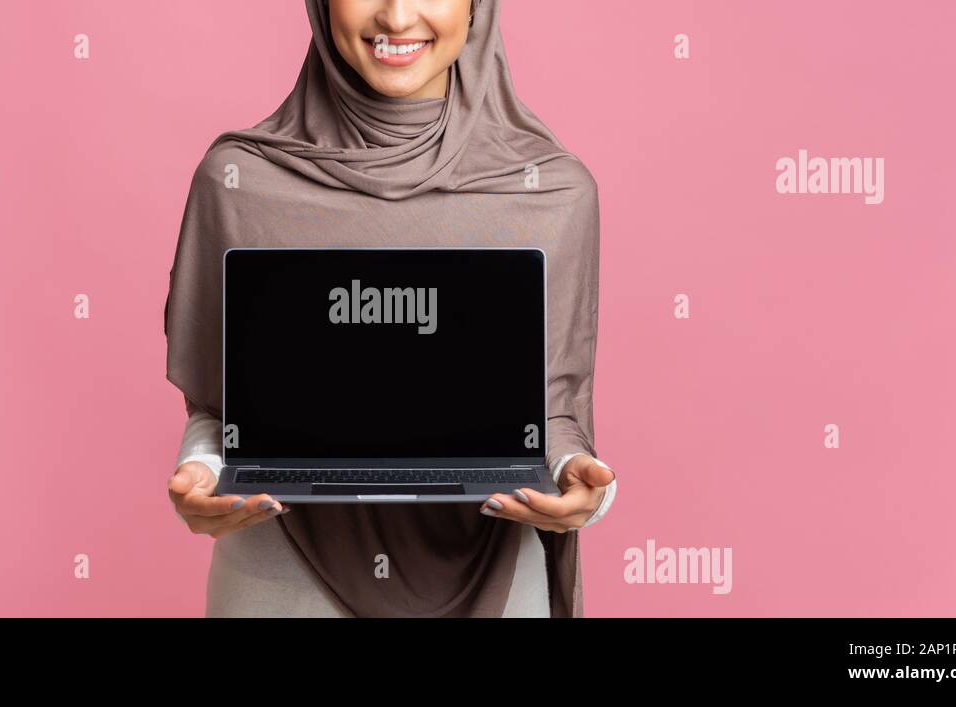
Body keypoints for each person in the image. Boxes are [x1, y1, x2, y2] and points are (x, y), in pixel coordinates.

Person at [164, 0, 617, 617]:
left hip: (495, 572)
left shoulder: (552, 192)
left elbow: (553, 412)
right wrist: (200, 469)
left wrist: (580, 480)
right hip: (281, 580)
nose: (397, 17)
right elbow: (221, 411)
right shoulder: (238, 181)